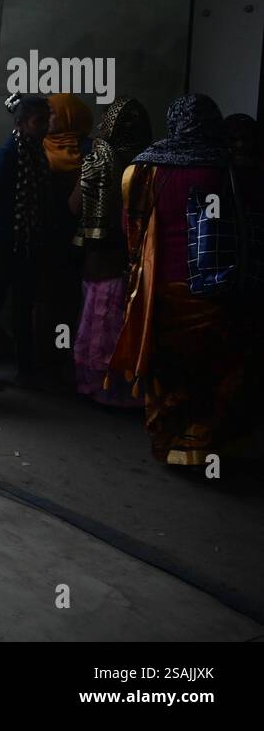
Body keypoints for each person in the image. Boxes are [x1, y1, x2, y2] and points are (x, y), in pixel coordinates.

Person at [110, 94, 254, 466]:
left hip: (159, 287)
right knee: (208, 367)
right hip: (212, 289)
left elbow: (131, 230)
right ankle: (199, 445)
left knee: (166, 365)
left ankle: (168, 441)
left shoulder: (143, 169)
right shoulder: (226, 168)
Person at [70, 97, 151, 406]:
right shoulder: (153, 162)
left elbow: (74, 206)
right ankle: (125, 390)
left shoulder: (99, 158)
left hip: (101, 258)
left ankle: (97, 386)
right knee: (124, 324)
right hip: (141, 261)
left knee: (97, 320)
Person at [0, 94, 52, 390]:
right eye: (39, 120)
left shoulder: (37, 154)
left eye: (47, 119)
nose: (46, 126)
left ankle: (26, 368)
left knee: (23, 307)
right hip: (2, 247)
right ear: (20, 123)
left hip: (28, 246)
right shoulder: (5, 158)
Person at [41, 91, 94, 384]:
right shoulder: (38, 146)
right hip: (44, 236)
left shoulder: (89, 151)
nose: (48, 119)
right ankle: (46, 361)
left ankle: (66, 361)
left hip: (77, 238)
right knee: (45, 300)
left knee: (70, 302)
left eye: (53, 113)